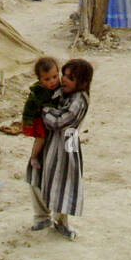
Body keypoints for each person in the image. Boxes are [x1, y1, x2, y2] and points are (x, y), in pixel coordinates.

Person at [27, 59, 92, 239]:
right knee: (37, 176)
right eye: (64, 74)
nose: (64, 80)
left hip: (66, 145)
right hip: (49, 142)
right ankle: (41, 216)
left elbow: (60, 121)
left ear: (83, 82)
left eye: (71, 78)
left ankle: (61, 221)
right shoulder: (62, 91)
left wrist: (43, 110)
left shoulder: (79, 100)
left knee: (63, 182)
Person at [23, 57, 61, 171]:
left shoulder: (60, 86)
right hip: (38, 118)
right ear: (40, 80)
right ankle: (34, 157)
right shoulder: (38, 92)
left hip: (51, 118)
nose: (52, 81)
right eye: (47, 79)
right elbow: (29, 108)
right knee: (41, 139)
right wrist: (27, 122)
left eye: (55, 77)